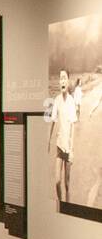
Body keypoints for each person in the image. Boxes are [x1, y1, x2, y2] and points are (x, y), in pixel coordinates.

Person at [48, 68, 77, 203]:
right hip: (59, 147)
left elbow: (72, 127)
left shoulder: (71, 101)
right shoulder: (57, 100)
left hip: (68, 148)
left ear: (69, 81)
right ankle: (61, 204)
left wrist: (71, 150)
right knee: (57, 182)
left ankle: (68, 206)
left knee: (67, 184)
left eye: (64, 78)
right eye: (60, 78)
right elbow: (53, 121)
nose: (62, 80)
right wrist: (48, 140)